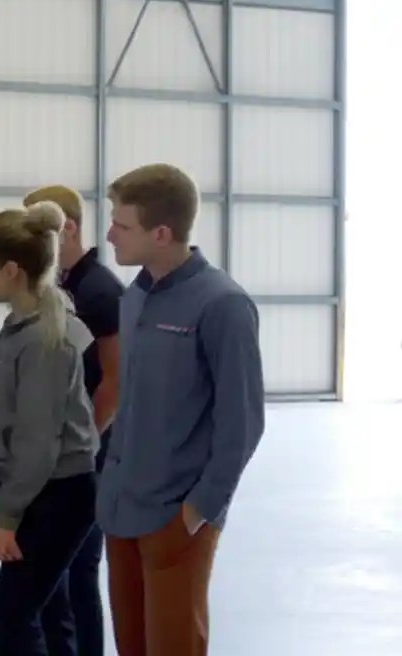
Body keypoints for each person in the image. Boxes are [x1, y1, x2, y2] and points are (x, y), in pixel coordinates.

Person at [99, 164, 265, 656]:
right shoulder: (135, 298)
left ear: (162, 233)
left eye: (122, 225)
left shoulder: (224, 305)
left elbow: (244, 423)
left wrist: (197, 513)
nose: (109, 234)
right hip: (119, 509)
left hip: (175, 517)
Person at [0, 202, 99, 656]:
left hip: (58, 490)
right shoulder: (22, 322)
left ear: (12, 270)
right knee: (47, 610)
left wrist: (7, 517)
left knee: (11, 617)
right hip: (41, 487)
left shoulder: (45, 338)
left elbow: (37, 442)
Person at [23, 186, 123, 656]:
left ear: (71, 229)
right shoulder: (52, 289)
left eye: (38, 234)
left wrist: (81, 446)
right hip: (55, 455)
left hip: (87, 458)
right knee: (54, 574)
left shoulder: (100, 291)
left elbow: (114, 384)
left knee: (80, 570)